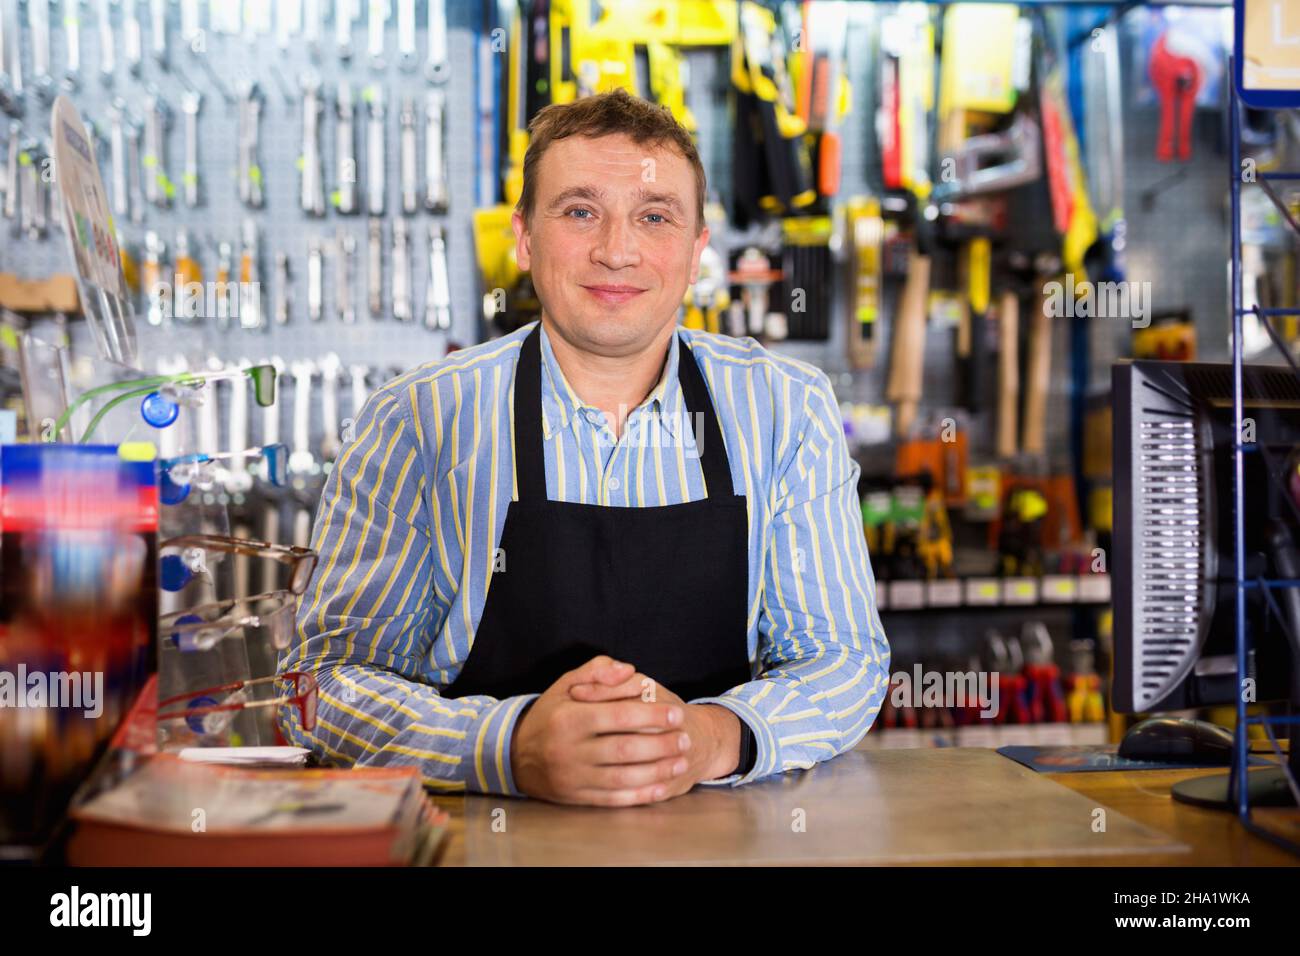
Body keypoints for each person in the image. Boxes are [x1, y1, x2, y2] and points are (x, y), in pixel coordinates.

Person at [279, 88, 890, 807]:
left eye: (654, 217)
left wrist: (708, 738)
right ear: (525, 238)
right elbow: (322, 685)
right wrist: (506, 746)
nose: (617, 250)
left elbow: (843, 659)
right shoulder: (419, 419)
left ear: (698, 253)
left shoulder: (785, 409)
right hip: (481, 841)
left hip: (716, 847)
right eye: (579, 212)